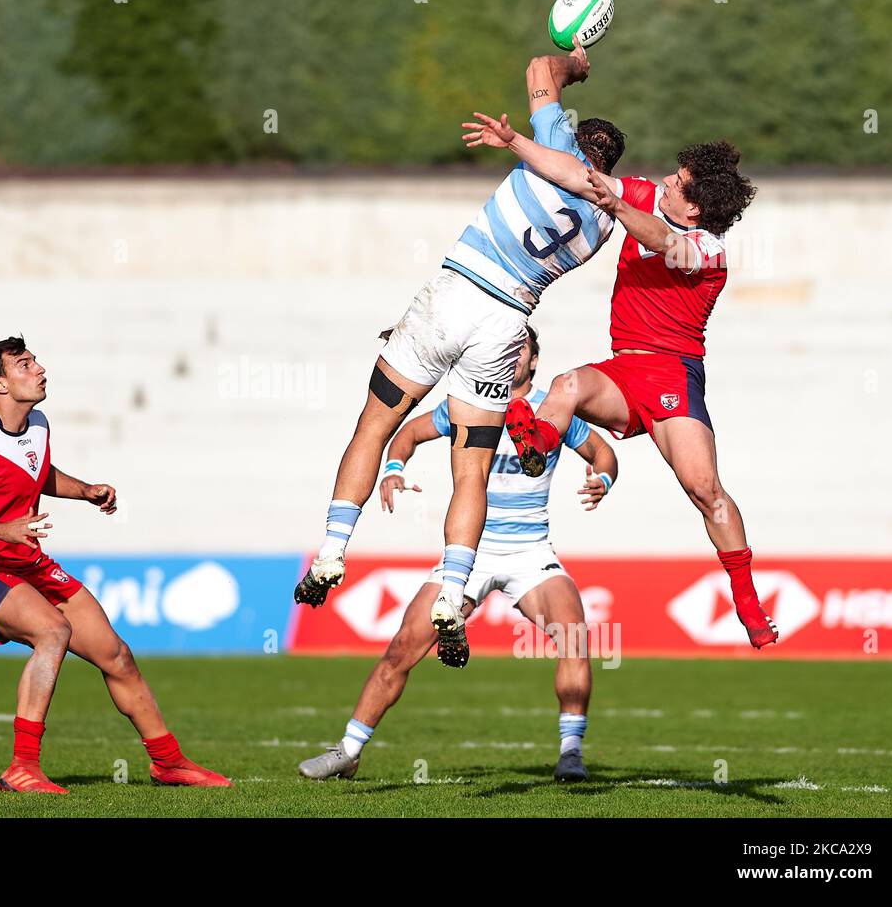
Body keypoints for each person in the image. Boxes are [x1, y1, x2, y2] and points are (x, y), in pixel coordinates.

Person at [294, 42, 626, 661]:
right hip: (506, 325)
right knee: (469, 469)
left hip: (454, 295)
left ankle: (335, 548)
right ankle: (451, 591)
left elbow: (537, 72)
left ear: (576, 147)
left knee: (374, 424)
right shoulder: (604, 225)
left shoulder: (554, 154)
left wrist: (574, 65)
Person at [465, 111, 777, 648]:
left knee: (705, 491)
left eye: (677, 183)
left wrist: (619, 206)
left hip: (672, 373)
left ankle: (747, 603)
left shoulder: (708, 250)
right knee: (565, 385)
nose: (665, 182)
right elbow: (570, 173)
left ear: (696, 207)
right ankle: (535, 443)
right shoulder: (645, 198)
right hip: (623, 367)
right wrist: (515, 141)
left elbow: (660, 239)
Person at [298, 327, 616, 781]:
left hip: (531, 552)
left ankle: (570, 752)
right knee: (403, 648)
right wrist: (393, 469)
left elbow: (605, 455)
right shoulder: (467, 404)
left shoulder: (556, 410)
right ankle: (348, 751)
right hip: (470, 553)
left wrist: (601, 480)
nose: (510, 352)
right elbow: (406, 435)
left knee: (574, 636)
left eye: (519, 347)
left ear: (532, 361)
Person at [0, 336, 230, 793]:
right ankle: (21, 767)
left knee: (117, 655)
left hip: (28, 562)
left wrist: (84, 490)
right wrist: (2, 530)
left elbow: (37, 472)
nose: (39, 369)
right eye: (25, 364)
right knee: (53, 631)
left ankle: (168, 763)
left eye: (35, 361)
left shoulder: (37, 422)